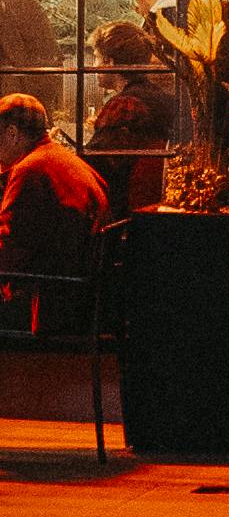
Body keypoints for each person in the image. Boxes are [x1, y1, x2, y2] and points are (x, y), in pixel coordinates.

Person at [0, 92, 112, 339]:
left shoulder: (30, 170)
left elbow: (9, 251)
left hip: (49, 299)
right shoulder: (64, 159)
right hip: (84, 293)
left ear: (11, 134)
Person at [82, 22, 177, 216]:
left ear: (110, 62)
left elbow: (97, 164)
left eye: (97, 58)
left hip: (125, 210)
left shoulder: (125, 105)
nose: (93, 66)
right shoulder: (161, 97)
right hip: (156, 207)